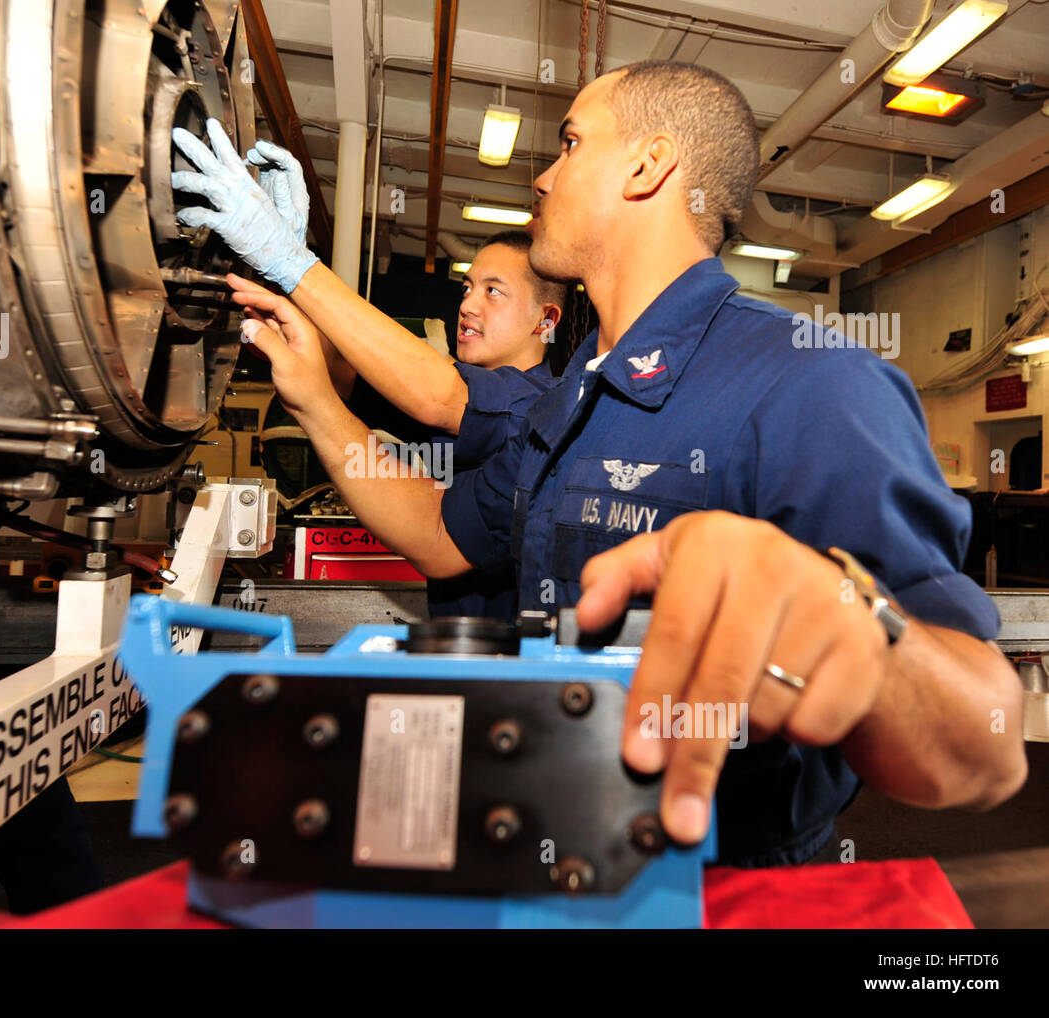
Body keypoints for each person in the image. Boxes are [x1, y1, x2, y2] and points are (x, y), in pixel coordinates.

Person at [171, 61, 1027, 868]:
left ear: (650, 167)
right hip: (558, 865)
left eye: (572, 143)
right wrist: (317, 401)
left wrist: (854, 624)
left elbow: (986, 747)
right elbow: (439, 533)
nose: (542, 178)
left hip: (719, 889)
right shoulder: (575, 394)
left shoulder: (814, 382)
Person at [225, 231, 563, 618]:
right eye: (467, 287)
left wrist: (293, 265)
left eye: (493, 292)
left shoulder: (545, 409)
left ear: (545, 320)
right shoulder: (465, 418)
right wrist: (290, 323)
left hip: (510, 664)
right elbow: (351, 378)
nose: (468, 304)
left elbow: (437, 396)